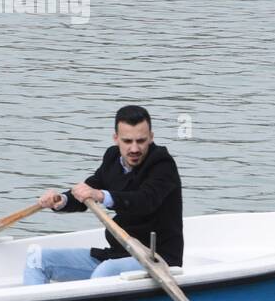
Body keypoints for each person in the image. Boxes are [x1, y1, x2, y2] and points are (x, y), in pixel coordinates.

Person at [23, 105, 183, 286]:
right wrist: (60, 200)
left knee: (105, 272)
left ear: (151, 138)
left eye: (141, 141)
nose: (134, 148)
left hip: (156, 257)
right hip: (118, 253)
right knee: (38, 260)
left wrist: (101, 195)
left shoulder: (162, 164)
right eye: (127, 141)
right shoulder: (112, 158)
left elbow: (145, 201)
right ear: (116, 139)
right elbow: (88, 190)